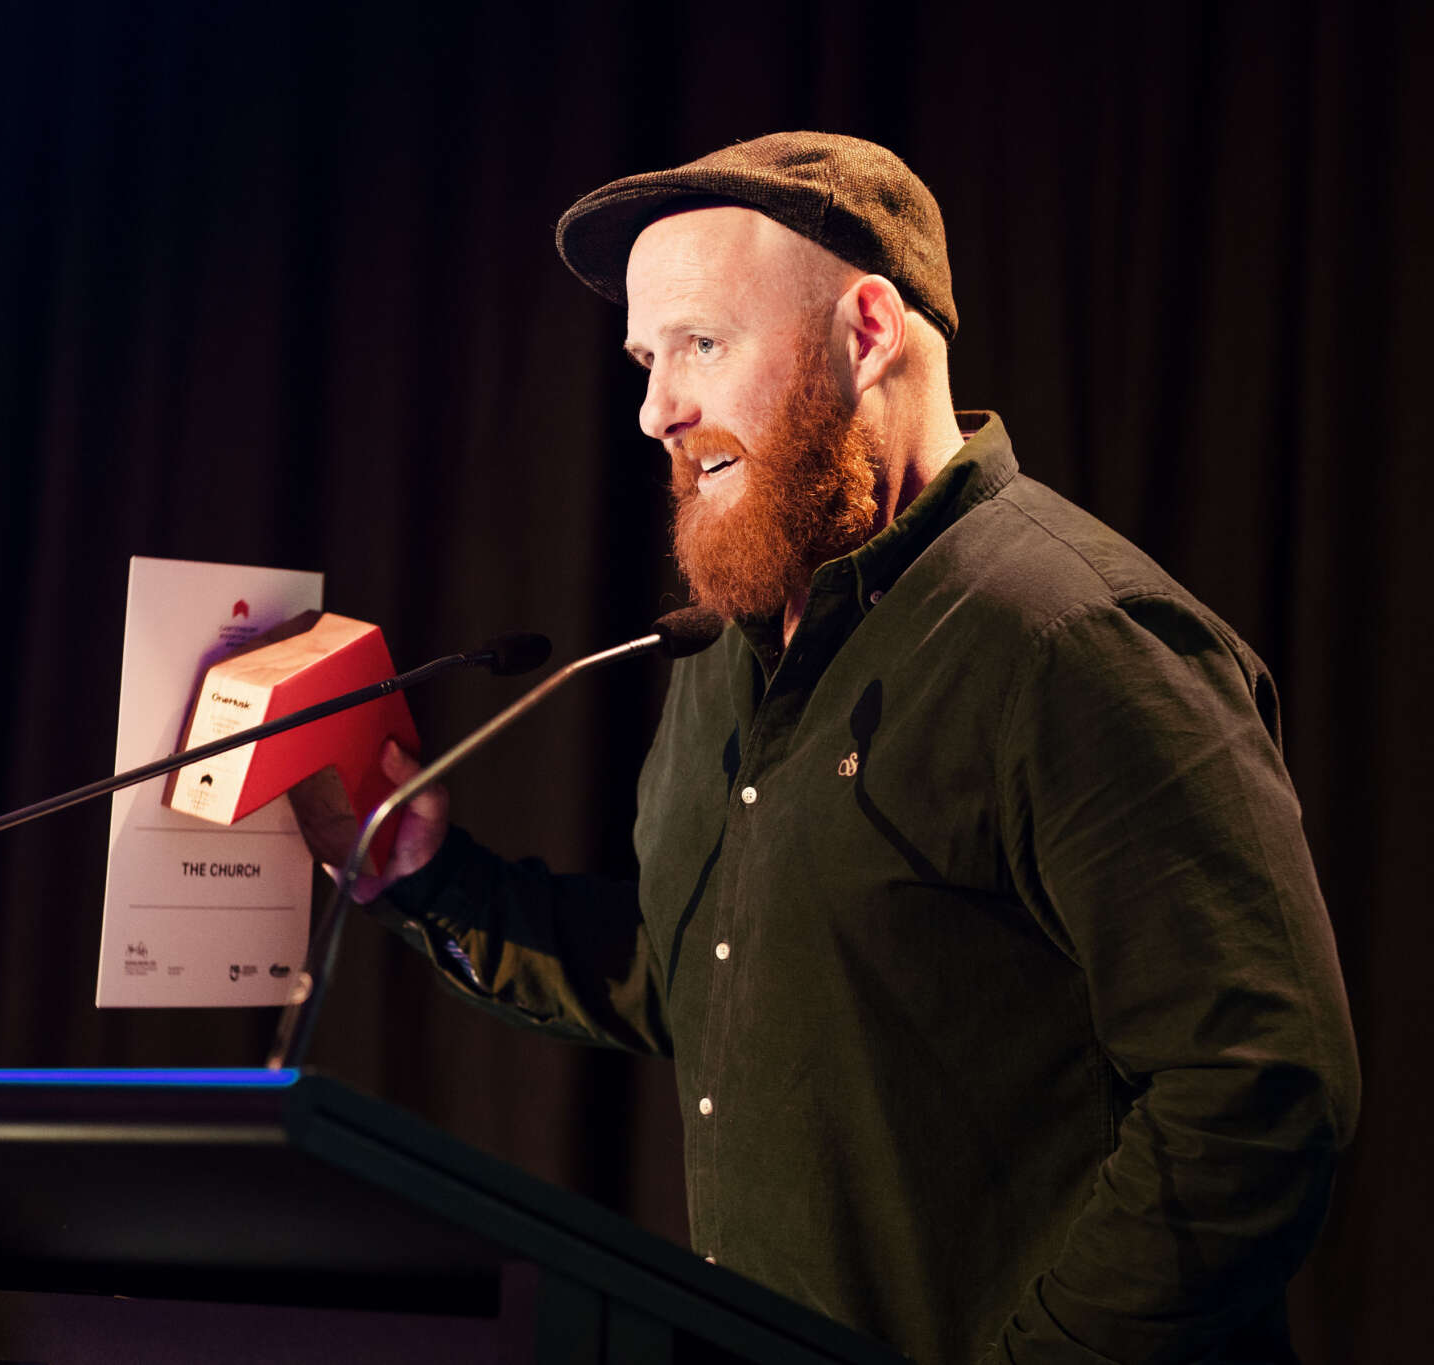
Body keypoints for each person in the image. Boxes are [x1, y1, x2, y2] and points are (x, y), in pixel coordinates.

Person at [307, 132, 1360, 1364]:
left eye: (700, 344)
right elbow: (703, 971)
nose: (655, 410)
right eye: (646, 361)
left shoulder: (1074, 640)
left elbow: (1256, 1098)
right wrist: (427, 881)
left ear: (865, 334)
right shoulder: (729, 644)